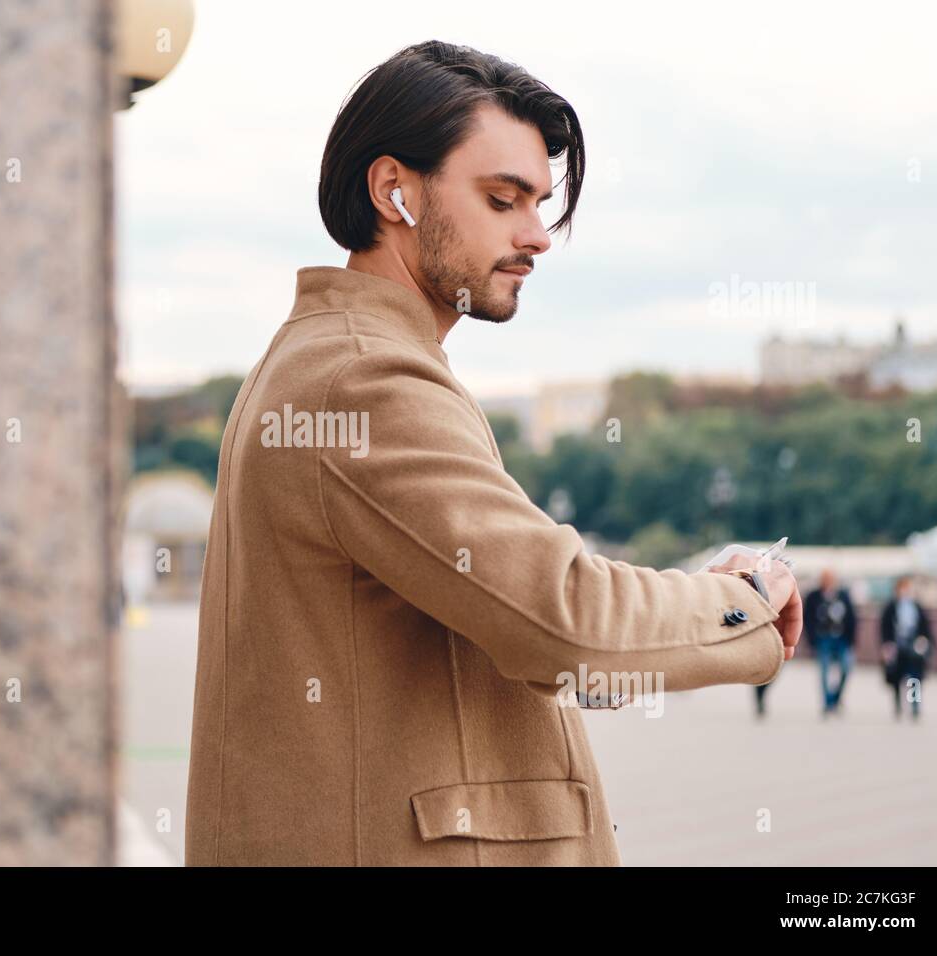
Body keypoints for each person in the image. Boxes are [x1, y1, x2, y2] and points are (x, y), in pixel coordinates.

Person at [185, 41, 803, 867]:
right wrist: (745, 604)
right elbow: (562, 618)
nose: (537, 236)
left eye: (540, 203)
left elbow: (514, 629)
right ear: (393, 190)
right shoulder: (365, 379)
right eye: (503, 199)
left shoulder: (326, 358)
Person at [880, 576, 936, 720]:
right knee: (896, 676)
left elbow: (925, 627)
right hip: (897, 646)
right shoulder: (891, 607)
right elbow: (884, 628)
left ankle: (914, 705)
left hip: (914, 647)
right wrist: (886, 645)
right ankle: (898, 704)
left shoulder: (916, 606)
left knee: (914, 677)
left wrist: (924, 642)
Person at [802, 569, 857, 716]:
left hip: (842, 639)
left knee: (846, 668)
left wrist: (852, 640)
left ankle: (836, 697)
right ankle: (827, 703)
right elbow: (808, 619)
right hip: (823, 638)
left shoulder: (843, 595)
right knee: (824, 672)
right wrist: (812, 640)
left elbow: (852, 617)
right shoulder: (814, 596)